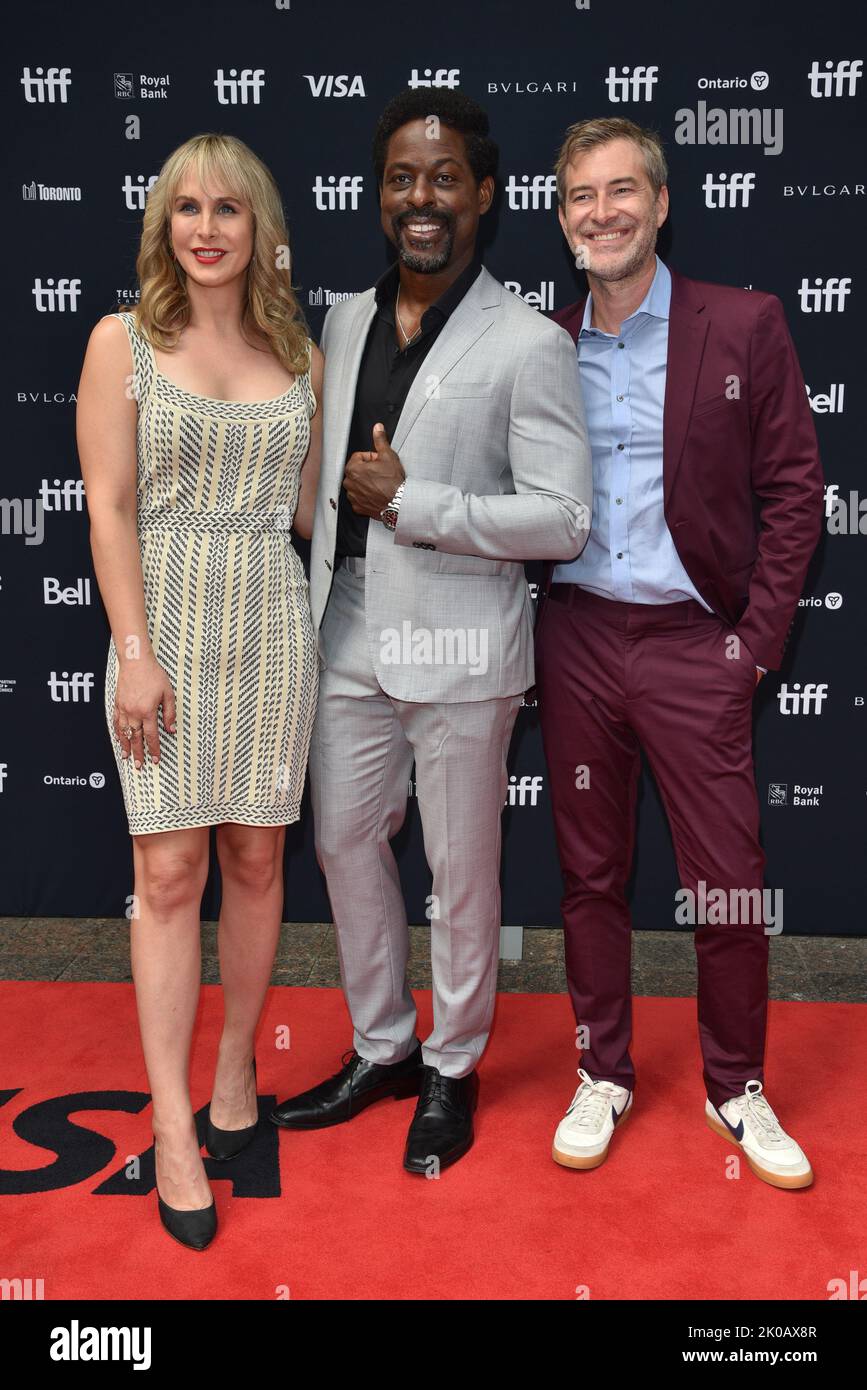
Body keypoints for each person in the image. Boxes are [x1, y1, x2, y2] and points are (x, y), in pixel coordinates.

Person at [270, 90, 591, 1174]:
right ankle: (384, 1045)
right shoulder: (345, 319)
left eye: (444, 176)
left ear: (485, 195)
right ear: (378, 196)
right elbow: (320, 492)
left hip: (462, 644)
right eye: (403, 177)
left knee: (460, 874)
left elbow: (564, 517)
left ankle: (453, 1066)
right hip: (345, 632)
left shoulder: (530, 341)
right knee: (344, 842)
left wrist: (418, 504)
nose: (422, 197)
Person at [534, 117, 823, 1188]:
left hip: (695, 643)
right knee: (590, 873)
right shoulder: (544, 345)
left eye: (620, 191)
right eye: (579, 197)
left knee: (728, 882)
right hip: (576, 638)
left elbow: (797, 493)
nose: (600, 212)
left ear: (660, 203)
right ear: (561, 219)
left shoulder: (742, 327)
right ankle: (601, 1069)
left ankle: (736, 1085)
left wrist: (752, 648)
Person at [76, 133, 323, 1248]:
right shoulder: (120, 344)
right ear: (164, 225)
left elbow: (315, 518)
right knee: (169, 871)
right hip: (163, 627)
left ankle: (233, 1083)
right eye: (188, 209)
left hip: (272, 627)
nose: (209, 227)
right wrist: (133, 649)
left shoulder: (300, 355)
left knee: (258, 856)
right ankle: (173, 1127)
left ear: (260, 224)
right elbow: (111, 506)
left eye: (230, 208)